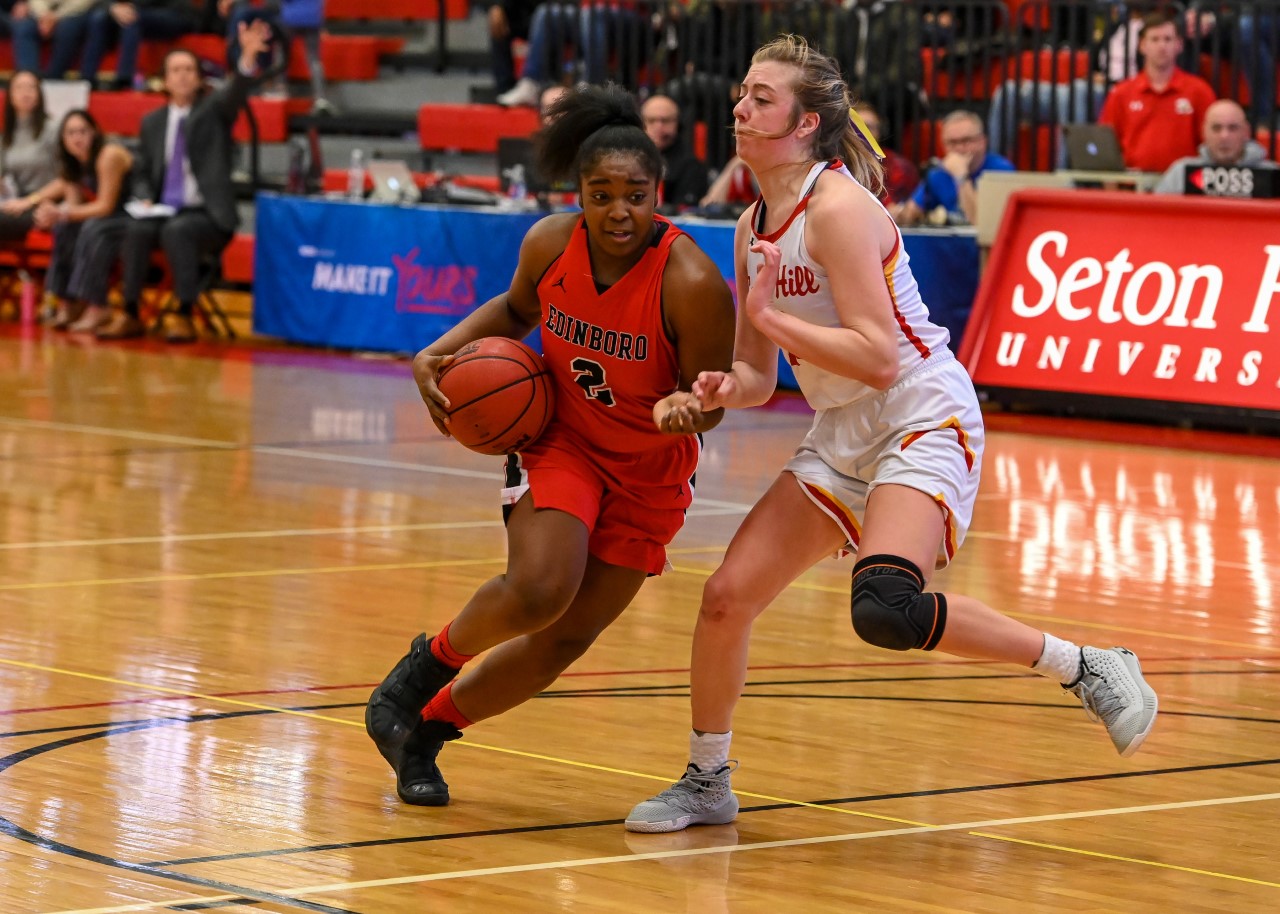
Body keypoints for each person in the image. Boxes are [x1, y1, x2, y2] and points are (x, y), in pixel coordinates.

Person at [624, 35, 1158, 835]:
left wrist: (767, 316)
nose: (739, 107)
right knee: (726, 598)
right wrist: (716, 388)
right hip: (842, 429)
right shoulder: (750, 224)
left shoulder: (838, 209)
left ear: (805, 124)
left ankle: (1086, 666)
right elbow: (763, 375)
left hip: (920, 413)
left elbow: (878, 359)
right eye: (742, 92)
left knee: (885, 607)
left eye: (760, 97)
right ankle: (707, 780)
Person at [364, 83, 737, 807]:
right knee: (541, 590)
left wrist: (692, 410)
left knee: (564, 641)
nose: (619, 211)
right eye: (601, 195)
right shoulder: (548, 243)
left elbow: (712, 400)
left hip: (650, 470)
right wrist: (434, 353)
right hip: (562, 439)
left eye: (635, 195)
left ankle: (421, 732)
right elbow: (513, 310)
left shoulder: (692, 282)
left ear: (658, 194)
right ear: (579, 196)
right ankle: (417, 675)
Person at [99, 19, 268, 343]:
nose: (183, 75)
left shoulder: (213, 111)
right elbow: (144, 172)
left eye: (189, 69)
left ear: (199, 77)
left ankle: (184, 314)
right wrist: (145, 197)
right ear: (164, 80)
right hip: (163, 210)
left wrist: (246, 59)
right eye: (175, 70)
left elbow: (234, 91)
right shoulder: (152, 122)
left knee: (179, 231)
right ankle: (130, 311)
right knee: (136, 229)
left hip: (207, 214)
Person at [12, 110, 132, 332]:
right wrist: (52, 214)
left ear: (95, 132)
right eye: (71, 133)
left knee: (94, 228)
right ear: (63, 140)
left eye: (83, 131)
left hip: (135, 214)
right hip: (110, 217)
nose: (77, 138)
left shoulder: (109, 154)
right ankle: (68, 302)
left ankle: (98, 306)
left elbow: (105, 206)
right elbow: (75, 207)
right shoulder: (73, 162)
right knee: (66, 227)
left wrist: (62, 212)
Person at [1098, 11, 1217, 174]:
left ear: (1179, 45)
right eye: (1154, 39)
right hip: (1132, 187)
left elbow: (1210, 146)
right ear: (1142, 45)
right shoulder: (1121, 93)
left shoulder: (1199, 91)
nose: (1162, 46)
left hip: (1183, 188)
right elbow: (1107, 148)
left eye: (1168, 39)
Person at [894, 110, 1014, 227]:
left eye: (966, 140)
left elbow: (981, 224)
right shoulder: (939, 173)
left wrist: (961, 176)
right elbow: (909, 216)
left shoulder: (1001, 170)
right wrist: (898, 213)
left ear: (982, 141)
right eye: (952, 142)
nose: (959, 148)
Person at [1154, 99, 1278, 194]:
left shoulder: (1272, 174)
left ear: (1246, 132)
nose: (1224, 136)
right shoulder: (1181, 171)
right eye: (1216, 128)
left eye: (1233, 128)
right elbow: (1158, 218)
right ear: (1204, 132)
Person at [77, 1, 202, 91]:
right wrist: (113, 7)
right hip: (138, 13)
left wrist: (128, 8)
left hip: (172, 12)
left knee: (131, 18)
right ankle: (86, 80)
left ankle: (124, 80)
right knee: (99, 18)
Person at [0, 70, 58, 243]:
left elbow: (67, 179)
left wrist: (29, 201)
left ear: (40, 94)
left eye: (31, 87)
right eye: (19, 87)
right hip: (13, 201)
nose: (25, 92)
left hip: (43, 202)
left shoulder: (53, 130)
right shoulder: (6, 136)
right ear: (9, 95)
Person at [641, 93, 710, 212]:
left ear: (677, 123)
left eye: (665, 121)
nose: (659, 127)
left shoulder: (691, 164)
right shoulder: (630, 158)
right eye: (652, 121)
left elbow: (685, 210)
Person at [852, 101, 917, 208]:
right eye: (857, 127)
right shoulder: (835, 164)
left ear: (879, 132)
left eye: (869, 127)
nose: (864, 133)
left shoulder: (899, 166)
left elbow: (909, 210)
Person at [10, 0, 95, 79]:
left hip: (75, 13)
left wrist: (56, 16)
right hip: (42, 14)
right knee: (24, 28)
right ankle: (30, 79)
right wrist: (44, 15)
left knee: (66, 30)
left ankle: (52, 79)